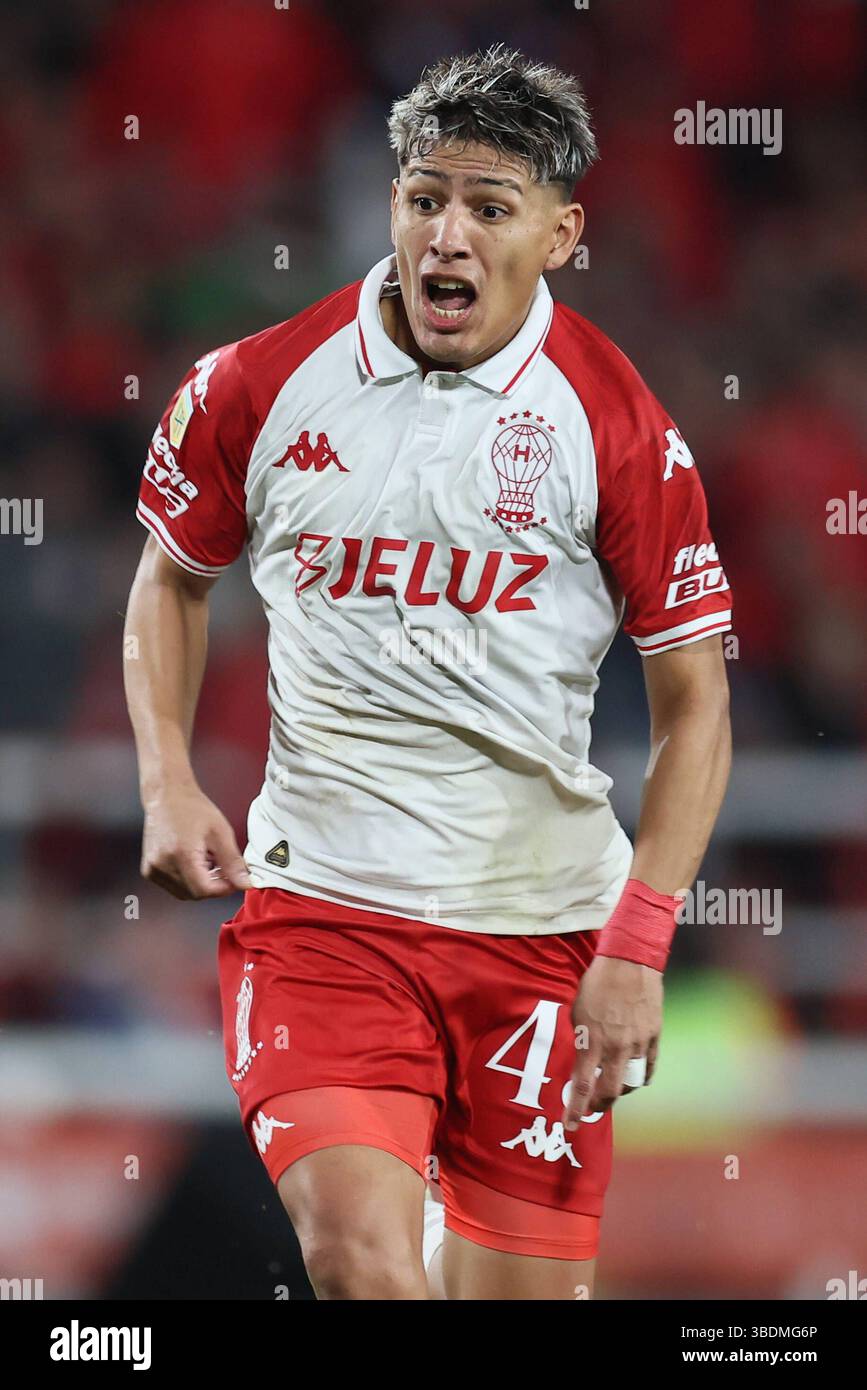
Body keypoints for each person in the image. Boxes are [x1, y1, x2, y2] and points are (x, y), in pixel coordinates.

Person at [124, 43, 732, 1300]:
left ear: (562, 234)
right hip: (325, 917)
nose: (446, 237)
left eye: (489, 209)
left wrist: (639, 943)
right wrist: (168, 780)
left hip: (540, 933)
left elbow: (696, 702)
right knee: (364, 1267)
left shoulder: (617, 427)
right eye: (424, 199)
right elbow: (173, 576)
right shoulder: (259, 382)